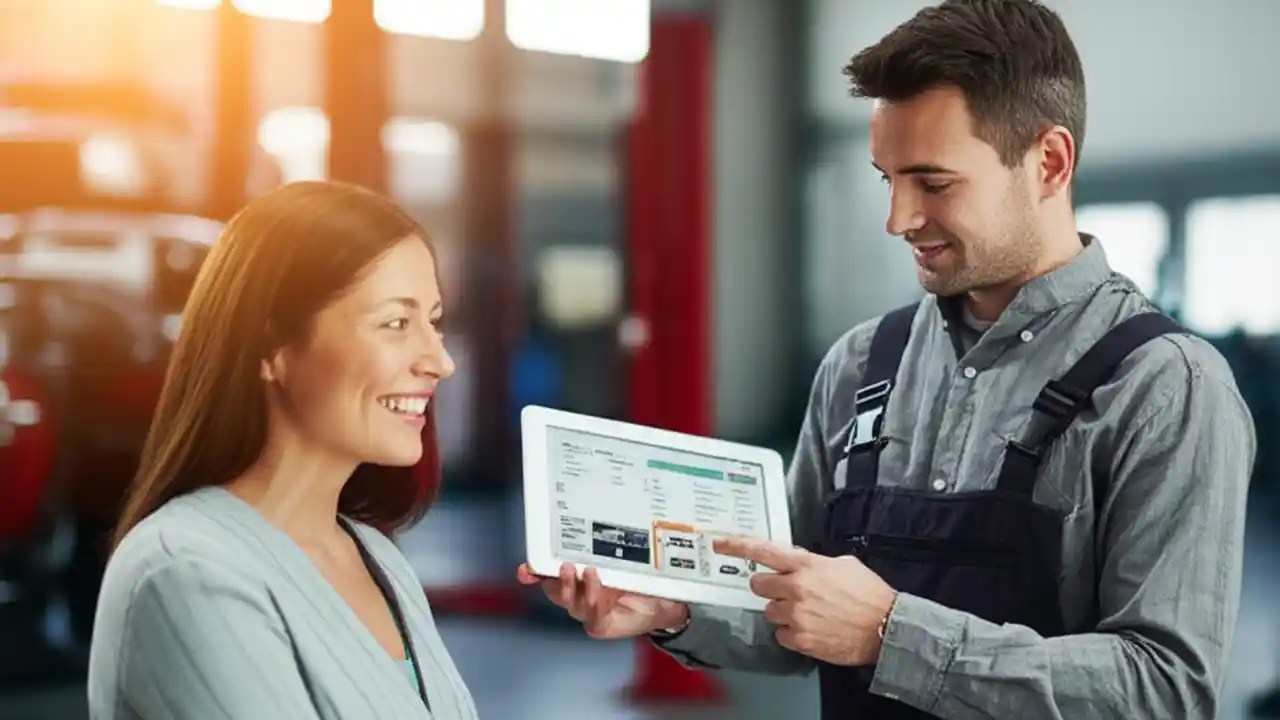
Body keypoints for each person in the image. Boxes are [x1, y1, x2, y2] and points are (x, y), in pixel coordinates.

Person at [518, 1, 1257, 718]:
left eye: (933, 183)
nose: (898, 219)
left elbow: (1164, 691)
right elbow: (792, 608)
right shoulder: (862, 365)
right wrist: (676, 610)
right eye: (888, 178)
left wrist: (889, 633)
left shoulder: (1165, 388)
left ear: (1050, 162)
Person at [88, 181, 477, 719]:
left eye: (432, 323)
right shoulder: (187, 573)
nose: (439, 360)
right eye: (395, 323)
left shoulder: (378, 559)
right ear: (271, 348)